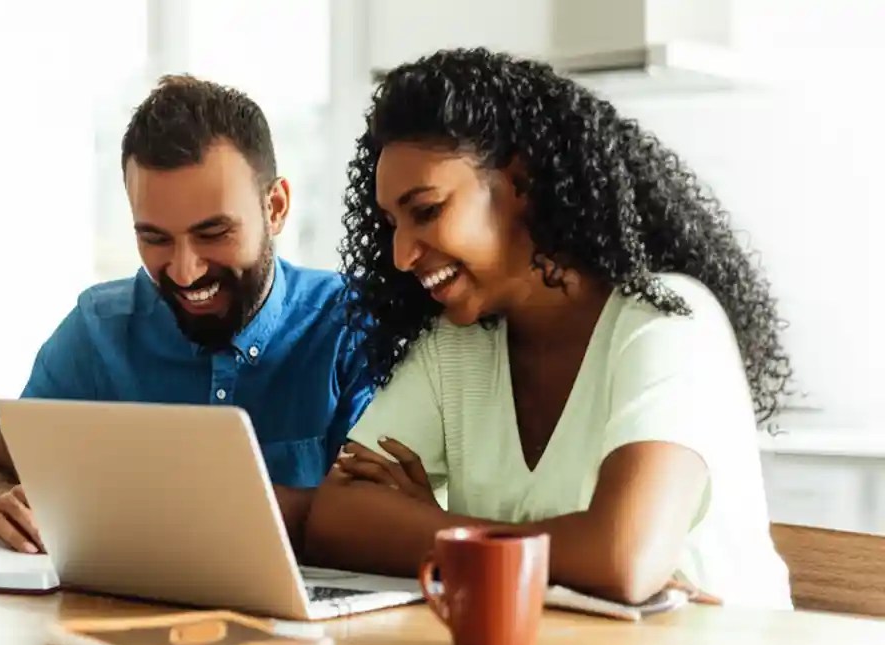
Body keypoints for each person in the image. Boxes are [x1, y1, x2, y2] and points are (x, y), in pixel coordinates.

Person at [303, 48, 793, 609]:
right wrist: (551, 550)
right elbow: (337, 518)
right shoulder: (456, 344)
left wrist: (428, 527)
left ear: (521, 182)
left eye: (427, 210)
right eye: (391, 223)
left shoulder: (666, 323)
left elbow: (622, 559)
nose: (400, 254)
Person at [0, 75, 373, 554]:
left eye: (213, 233)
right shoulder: (98, 331)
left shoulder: (348, 326)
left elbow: (378, 513)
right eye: (155, 238)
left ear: (274, 208)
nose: (185, 270)